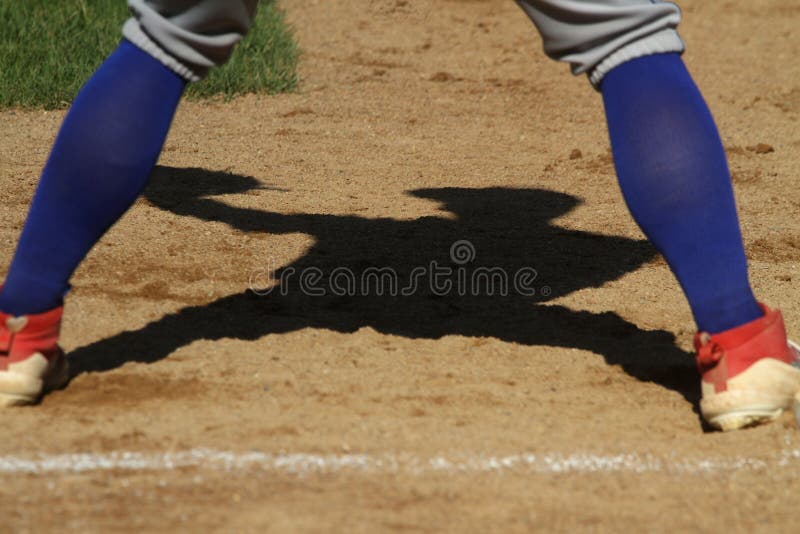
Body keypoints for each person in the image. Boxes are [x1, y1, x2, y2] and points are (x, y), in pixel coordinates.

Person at [1, 0, 798, 432]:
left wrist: (206, 196)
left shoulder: (356, 236)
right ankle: (736, 340)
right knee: (625, 31)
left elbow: (264, 222)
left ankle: (19, 332)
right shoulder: (593, 251)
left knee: (171, 28)